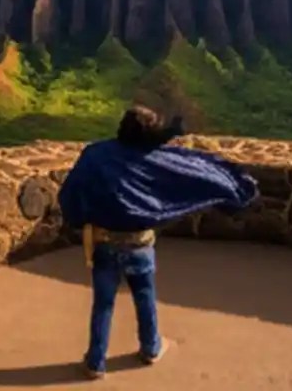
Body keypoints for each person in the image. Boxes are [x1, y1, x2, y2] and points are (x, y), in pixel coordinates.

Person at [57, 106, 259, 380]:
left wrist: (78, 220)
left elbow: (71, 193)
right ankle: (151, 348)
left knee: (103, 303)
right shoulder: (158, 161)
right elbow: (197, 174)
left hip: (104, 242)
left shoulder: (95, 155)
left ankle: (95, 361)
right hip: (140, 244)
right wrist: (234, 191)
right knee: (144, 296)